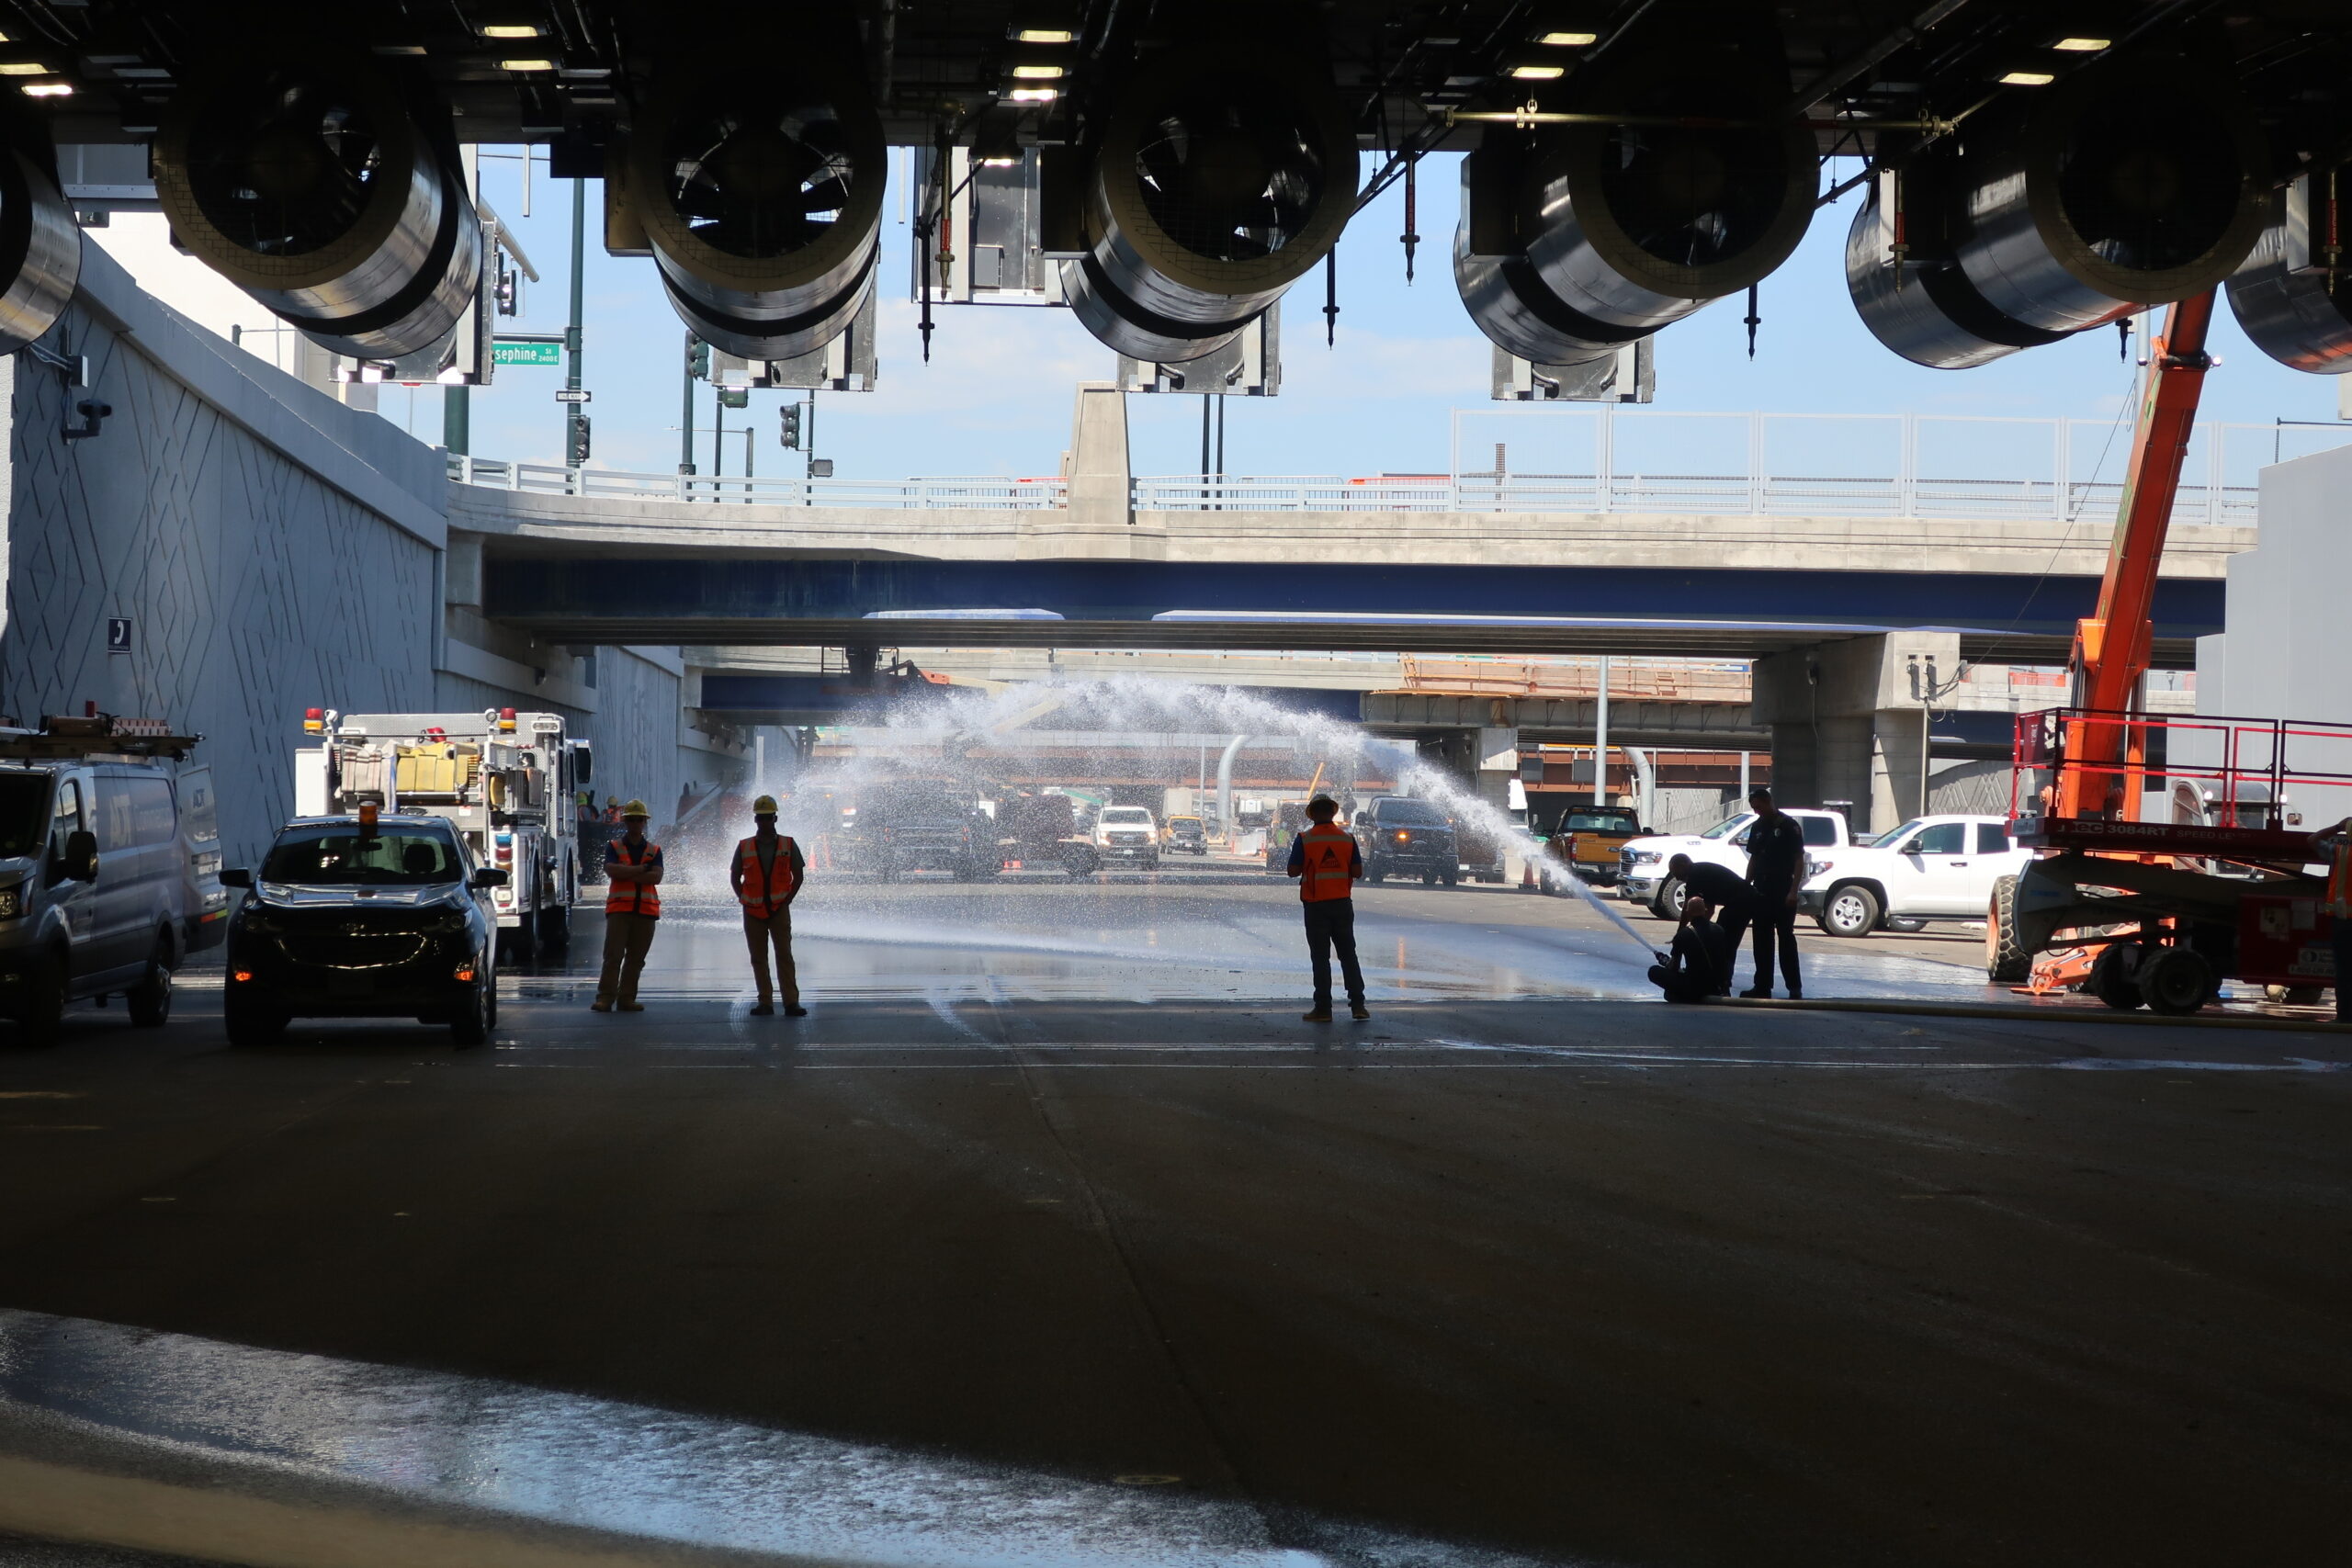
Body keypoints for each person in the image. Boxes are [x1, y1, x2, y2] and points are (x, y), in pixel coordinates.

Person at [1286, 795, 1369, 1021]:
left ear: (1312, 814)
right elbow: (1357, 872)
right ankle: (1358, 1006)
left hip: (1316, 906)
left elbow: (1292, 871)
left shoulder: (1305, 839)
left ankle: (1323, 1009)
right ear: (1333, 813)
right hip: (1342, 904)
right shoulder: (1347, 839)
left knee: (1320, 958)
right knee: (1348, 955)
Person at [730, 794, 808, 1017]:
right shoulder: (744, 846)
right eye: (760, 818)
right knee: (758, 958)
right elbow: (735, 876)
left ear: (775, 818)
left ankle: (791, 1002)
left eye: (767, 817)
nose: (764, 821)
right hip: (752, 911)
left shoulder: (788, 844)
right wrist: (743, 898)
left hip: (778, 910)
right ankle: (765, 1002)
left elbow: (799, 875)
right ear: (755, 820)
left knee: (784, 955)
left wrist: (788, 899)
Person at [594, 800, 663, 1013]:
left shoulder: (654, 849)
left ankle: (627, 998)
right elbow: (612, 871)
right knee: (613, 957)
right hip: (619, 911)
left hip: (645, 912)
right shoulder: (614, 847)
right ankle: (605, 998)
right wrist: (642, 869)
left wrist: (628, 872)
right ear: (625, 822)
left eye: (638, 819)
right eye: (631, 819)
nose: (635, 823)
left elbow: (657, 877)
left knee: (635, 960)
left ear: (644, 822)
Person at [1739, 787, 1806, 998]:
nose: (1757, 811)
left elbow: (1798, 859)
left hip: (1783, 889)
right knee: (1761, 940)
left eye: (1759, 806)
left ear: (1769, 801)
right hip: (1761, 889)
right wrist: (1746, 884)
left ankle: (1794, 987)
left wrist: (1793, 890)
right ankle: (1762, 986)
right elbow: (1755, 859)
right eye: (1754, 808)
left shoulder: (1789, 826)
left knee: (1786, 938)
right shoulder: (1758, 826)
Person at [1649, 895, 1734, 1002]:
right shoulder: (1719, 930)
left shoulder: (1683, 934)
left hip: (1694, 987)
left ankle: (1680, 996)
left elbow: (1674, 967)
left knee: (1653, 971)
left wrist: (1667, 963)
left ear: (1688, 912)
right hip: (1715, 987)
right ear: (1704, 911)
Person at [2310, 815, 2352, 1022]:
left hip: (2343, 921)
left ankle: (2345, 1016)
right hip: (2344, 922)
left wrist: (2337, 827)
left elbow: (2312, 840)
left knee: (2344, 972)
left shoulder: (2340, 852)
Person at [1666, 852, 1756, 949]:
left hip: (1742, 902)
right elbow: (1709, 909)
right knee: (1723, 938)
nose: (1677, 878)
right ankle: (1722, 961)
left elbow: (1687, 908)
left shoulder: (1694, 875)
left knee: (1724, 940)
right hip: (1745, 899)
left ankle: (1722, 962)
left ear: (1683, 866)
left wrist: (1681, 933)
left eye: (1676, 873)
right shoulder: (1701, 871)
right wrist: (1699, 930)